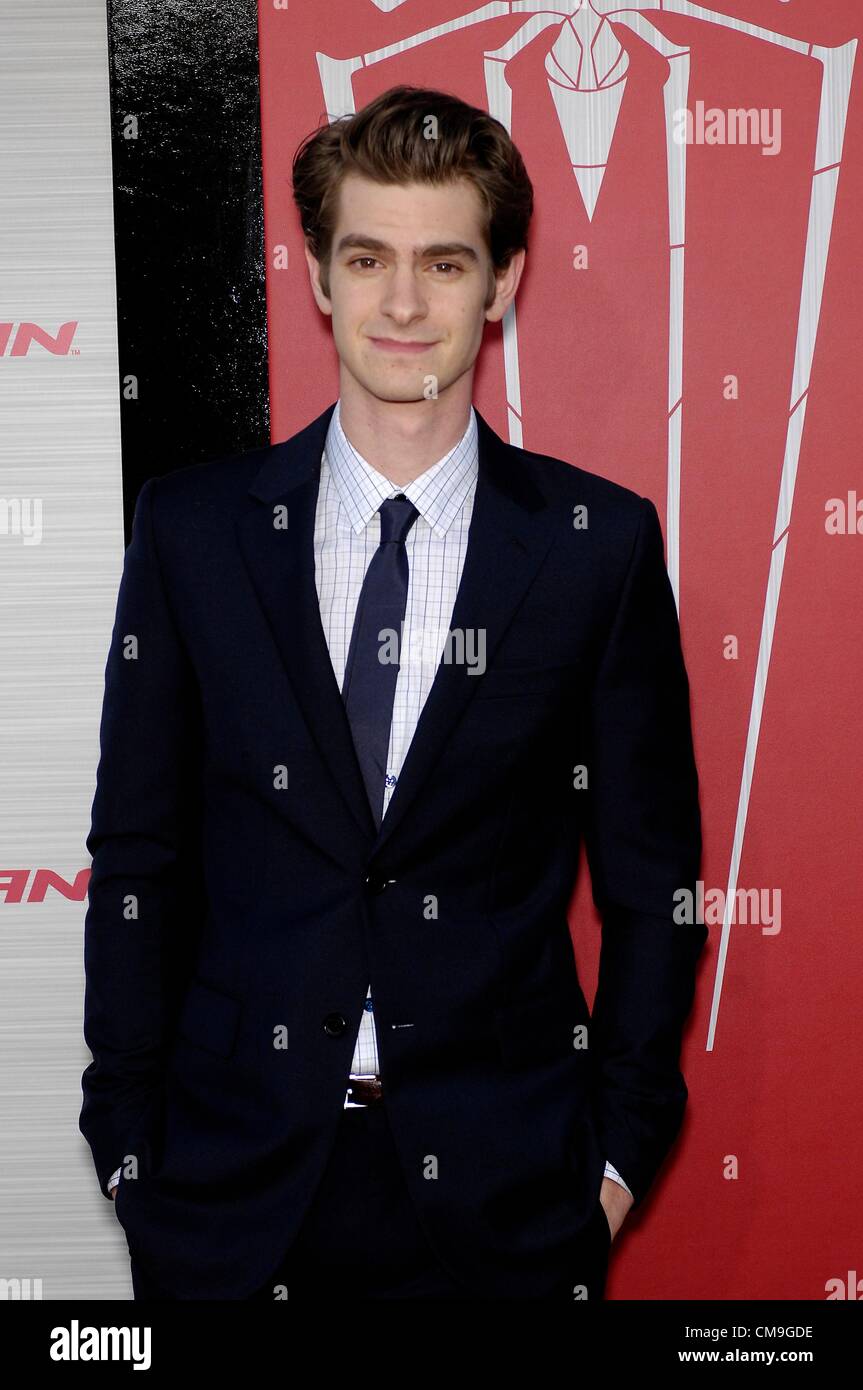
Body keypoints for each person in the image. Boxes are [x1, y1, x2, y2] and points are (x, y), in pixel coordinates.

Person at [79, 84, 707, 1300]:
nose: (404, 303)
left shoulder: (594, 546)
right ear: (318, 275)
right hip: (228, 1193)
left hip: (505, 1198)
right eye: (366, 258)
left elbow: (652, 881)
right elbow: (139, 856)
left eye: (444, 261)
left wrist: (619, 1153)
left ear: (504, 279)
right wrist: (128, 1146)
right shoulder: (196, 533)